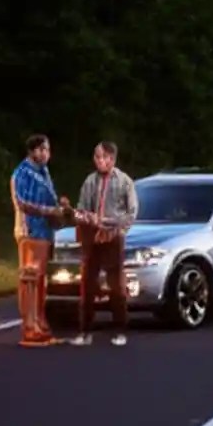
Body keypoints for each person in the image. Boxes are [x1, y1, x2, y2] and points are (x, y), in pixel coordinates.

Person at [71, 141, 138, 347]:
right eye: (97, 157)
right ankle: (85, 331)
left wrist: (119, 229)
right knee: (87, 284)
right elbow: (81, 208)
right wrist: (85, 218)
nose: (99, 161)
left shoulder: (124, 181)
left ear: (112, 159)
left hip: (112, 236)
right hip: (92, 236)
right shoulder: (90, 181)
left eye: (103, 157)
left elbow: (132, 211)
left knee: (116, 285)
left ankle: (119, 330)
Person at [10, 133, 71, 347]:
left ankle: (40, 323)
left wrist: (60, 206)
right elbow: (23, 202)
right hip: (30, 230)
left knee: (41, 280)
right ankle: (29, 326)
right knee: (30, 279)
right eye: (42, 149)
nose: (46, 154)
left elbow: (49, 197)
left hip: (45, 232)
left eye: (47, 149)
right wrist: (49, 211)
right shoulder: (23, 173)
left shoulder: (43, 172)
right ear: (32, 151)